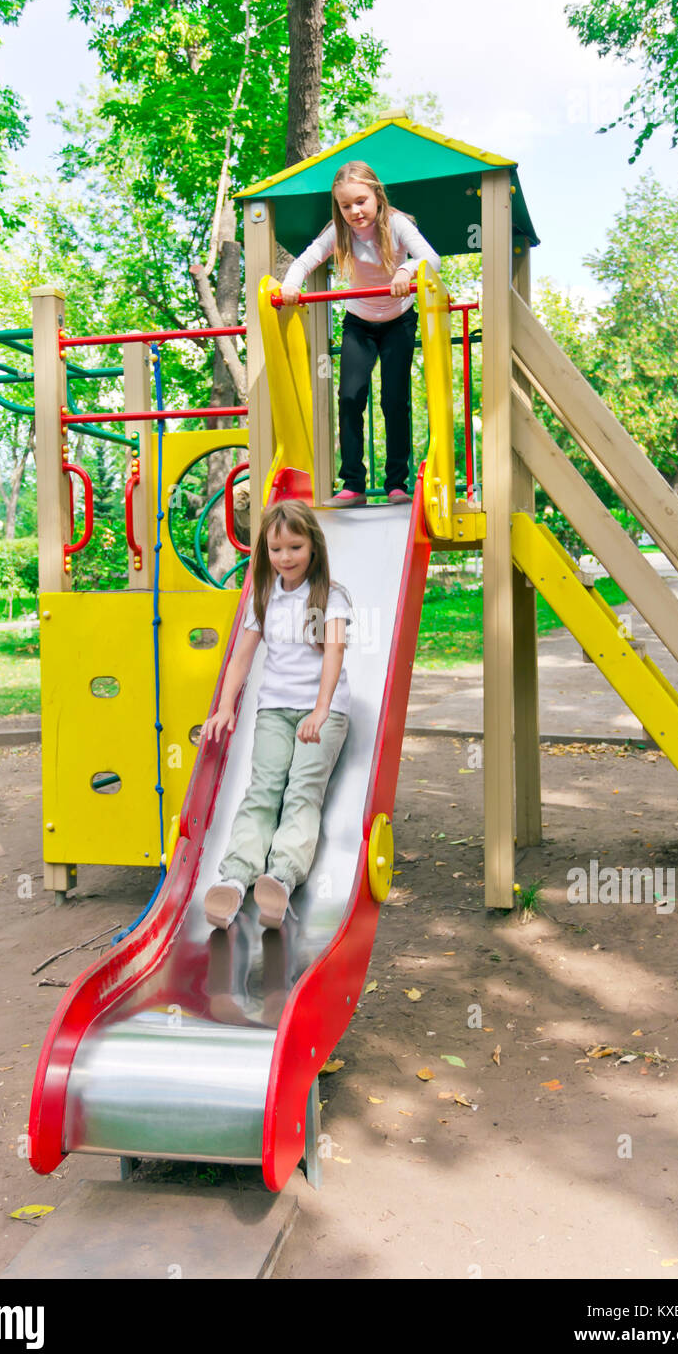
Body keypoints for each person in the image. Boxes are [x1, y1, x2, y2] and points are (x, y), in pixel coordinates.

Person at [200, 499, 352, 931]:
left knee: (301, 791)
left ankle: (281, 875)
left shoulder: (330, 596)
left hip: (324, 711)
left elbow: (334, 654)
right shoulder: (263, 597)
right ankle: (235, 876)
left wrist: (321, 711)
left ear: (314, 548)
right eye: (276, 549)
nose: (286, 558)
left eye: (295, 547)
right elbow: (241, 658)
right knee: (263, 789)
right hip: (274, 710)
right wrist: (226, 707)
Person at [280, 159, 441, 507]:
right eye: (345, 205)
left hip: (399, 320)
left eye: (361, 201)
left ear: (377, 196)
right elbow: (304, 262)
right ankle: (353, 483)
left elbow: (431, 258)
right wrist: (291, 285)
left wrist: (406, 269)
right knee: (350, 396)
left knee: (394, 399)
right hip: (359, 324)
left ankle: (397, 483)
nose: (355, 211)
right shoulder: (340, 234)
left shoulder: (397, 225)